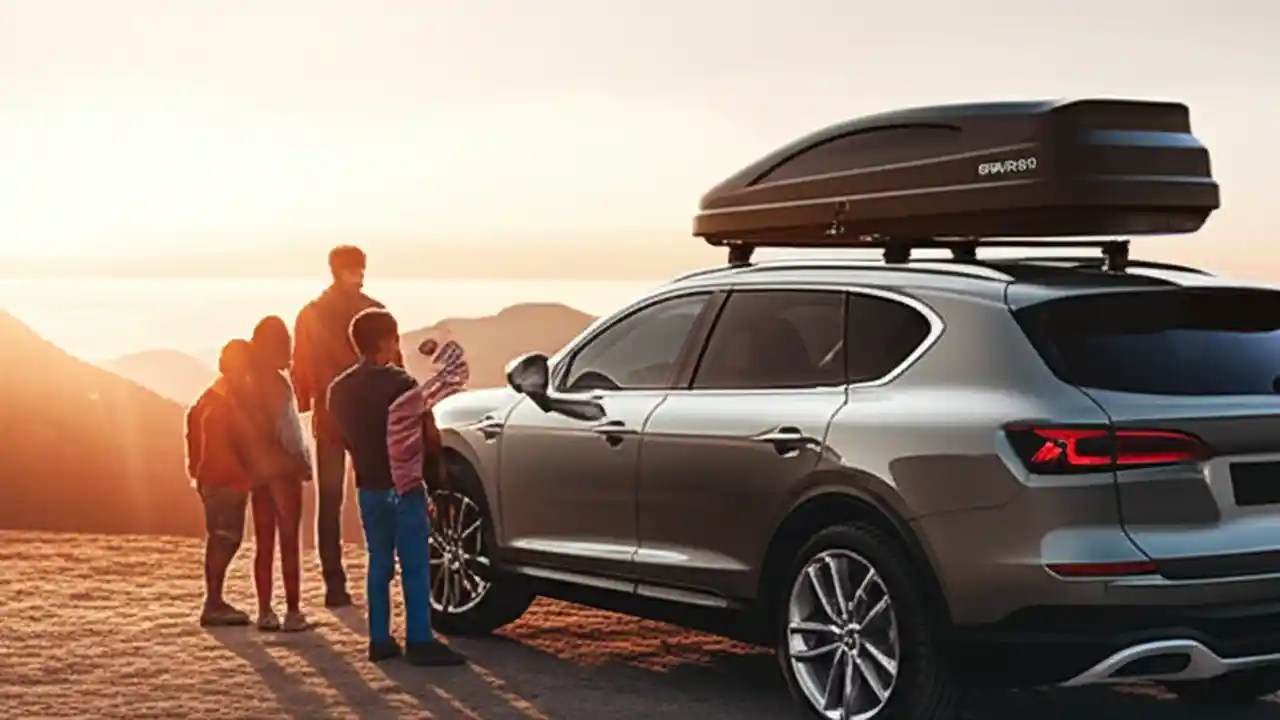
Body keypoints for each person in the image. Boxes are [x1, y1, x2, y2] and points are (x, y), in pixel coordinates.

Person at [327, 308, 466, 666]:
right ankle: (419, 639)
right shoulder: (400, 386)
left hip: (368, 485)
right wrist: (438, 345)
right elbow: (455, 376)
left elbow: (340, 437)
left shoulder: (338, 391)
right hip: (404, 486)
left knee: (379, 562)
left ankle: (379, 639)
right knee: (416, 564)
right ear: (387, 340)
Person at [292, 244, 384, 607]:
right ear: (337, 271)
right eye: (353, 270)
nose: (358, 275)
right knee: (354, 496)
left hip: (334, 415)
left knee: (339, 498)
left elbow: (301, 365)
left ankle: (339, 581)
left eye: (360, 269)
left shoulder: (313, 313)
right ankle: (338, 582)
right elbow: (391, 359)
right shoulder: (371, 310)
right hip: (355, 417)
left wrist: (302, 401)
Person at [245, 316, 313, 632]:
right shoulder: (277, 383)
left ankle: (264, 611)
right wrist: (302, 462)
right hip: (283, 469)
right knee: (289, 540)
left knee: (264, 542)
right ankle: (294, 611)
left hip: (257, 470)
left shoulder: (246, 381)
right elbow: (289, 430)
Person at [185, 339, 256, 627]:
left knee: (225, 537)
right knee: (224, 537)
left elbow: (192, 438)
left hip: (214, 479)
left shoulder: (209, 398)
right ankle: (213, 603)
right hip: (225, 479)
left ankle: (215, 599)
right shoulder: (224, 403)